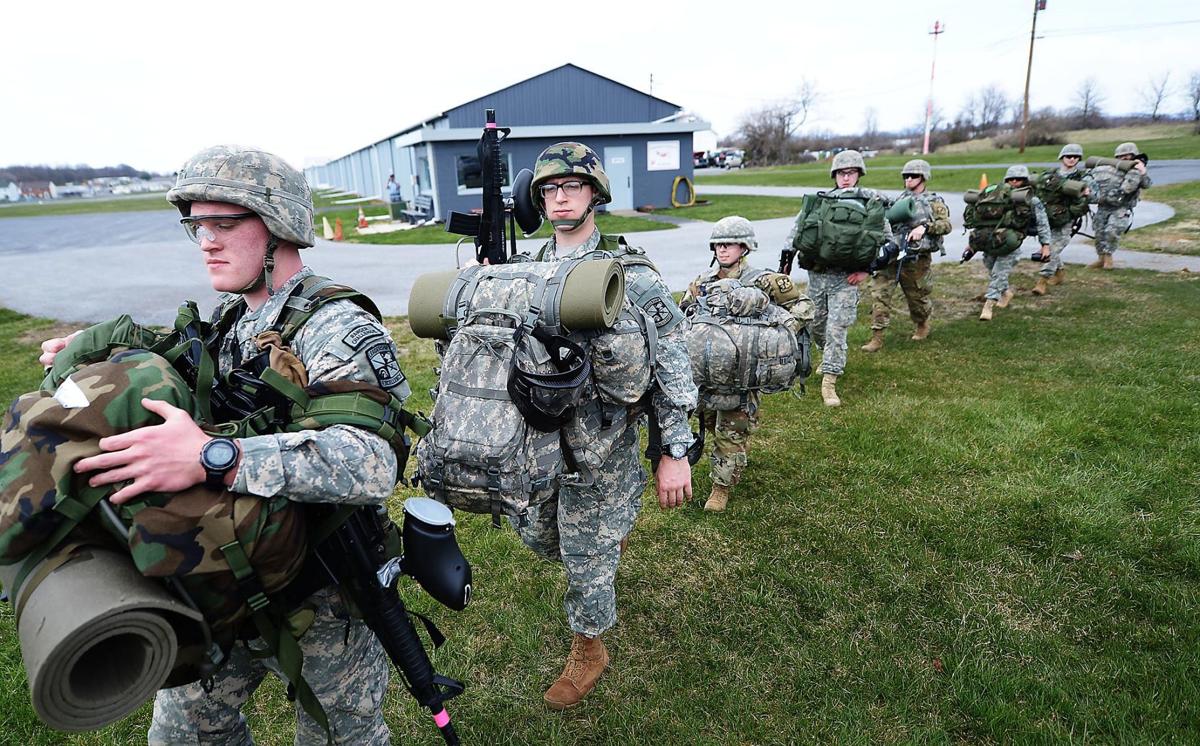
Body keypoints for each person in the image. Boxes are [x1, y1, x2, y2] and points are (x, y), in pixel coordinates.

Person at [39, 145, 409, 745]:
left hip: (323, 587)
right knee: (183, 735)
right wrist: (98, 347)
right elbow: (198, 365)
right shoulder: (237, 313)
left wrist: (214, 457)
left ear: (278, 227)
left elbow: (370, 464)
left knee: (344, 738)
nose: (206, 240)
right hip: (228, 572)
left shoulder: (338, 326)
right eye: (197, 225)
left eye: (225, 223)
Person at [519, 142, 697, 709]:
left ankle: (588, 648)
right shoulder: (525, 270)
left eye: (571, 187)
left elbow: (672, 364)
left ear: (595, 194)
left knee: (582, 558)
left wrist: (674, 450)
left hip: (605, 444)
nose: (559, 197)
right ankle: (609, 532)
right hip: (541, 442)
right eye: (548, 189)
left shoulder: (632, 275)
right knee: (538, 536)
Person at [680, 216, 812, 512]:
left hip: (743, 375)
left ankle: (721, 488)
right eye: (717, 244)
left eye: (729, 244)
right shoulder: (702, 283)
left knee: (732, 431)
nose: (722, 250)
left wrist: (785, 326)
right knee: (711, 423)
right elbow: (683, 315)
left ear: (745, 247)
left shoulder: (764, 281)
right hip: (708, 372)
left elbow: (804, 306)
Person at [783, 149, 891, 406]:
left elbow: (889, 243)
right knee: (816, 325)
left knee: (837, 329)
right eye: (842, 173)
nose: (846, 178)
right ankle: (828, 354)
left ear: (859, 175)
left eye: (851, 173)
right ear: (834, 175)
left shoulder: (870, 203)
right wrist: (784, 267)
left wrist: (869, 269)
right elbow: (796, 233)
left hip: (846, 280)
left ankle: (829, 382)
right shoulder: (822, 201)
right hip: (817, 276)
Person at [861, 158, 951, 351]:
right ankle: (877, 337)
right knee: (880, 293)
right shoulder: (899, 200)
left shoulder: (934, 202)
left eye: (914, 176)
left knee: (916, 296)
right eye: (906, 176)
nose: (909, 179)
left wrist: (925, 227)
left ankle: (922, 323)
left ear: (923, 177)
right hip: (892, 253)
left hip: (916, 258)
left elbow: (946, 225)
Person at [973, 165, 1050, 321]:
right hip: (992, 240)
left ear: (1025, 181)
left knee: (1000, 272)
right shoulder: (997, 197)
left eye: (1019, 179)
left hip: (1012, 241)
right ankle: (1006, 292)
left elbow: (1042, 222)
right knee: (991, 267)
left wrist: (1045, 245)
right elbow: (982, 220)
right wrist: (972, 244)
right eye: (1011, 179)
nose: (1015, 182)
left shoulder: (1031, 199)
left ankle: (989, 304)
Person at [1033, 144, 1091, 294]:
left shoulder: (1084, 177)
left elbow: (1094, 195)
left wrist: (1086, 192)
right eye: (1068, 156)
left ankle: (1042, 281)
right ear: (1062, 157)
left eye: (1076, 157)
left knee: (1053, 249)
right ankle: (1060, 273)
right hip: (1048, 217)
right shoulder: (1050, 174)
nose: (1072, 159)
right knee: (1051, 245)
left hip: (1067, 219)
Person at [1086, 141, 1151, 270]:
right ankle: (1101, 259)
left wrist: (1143, 172)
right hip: (1104, 206)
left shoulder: (1136, 170)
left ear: (1134, 155)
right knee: (1099, 232)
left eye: (1128, 155)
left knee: (1112, 231)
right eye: (1121, 156)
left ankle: (1108, 258)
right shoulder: (1111, 168)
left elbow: (1146, 184)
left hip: (1121, 207)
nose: (1124, 158)